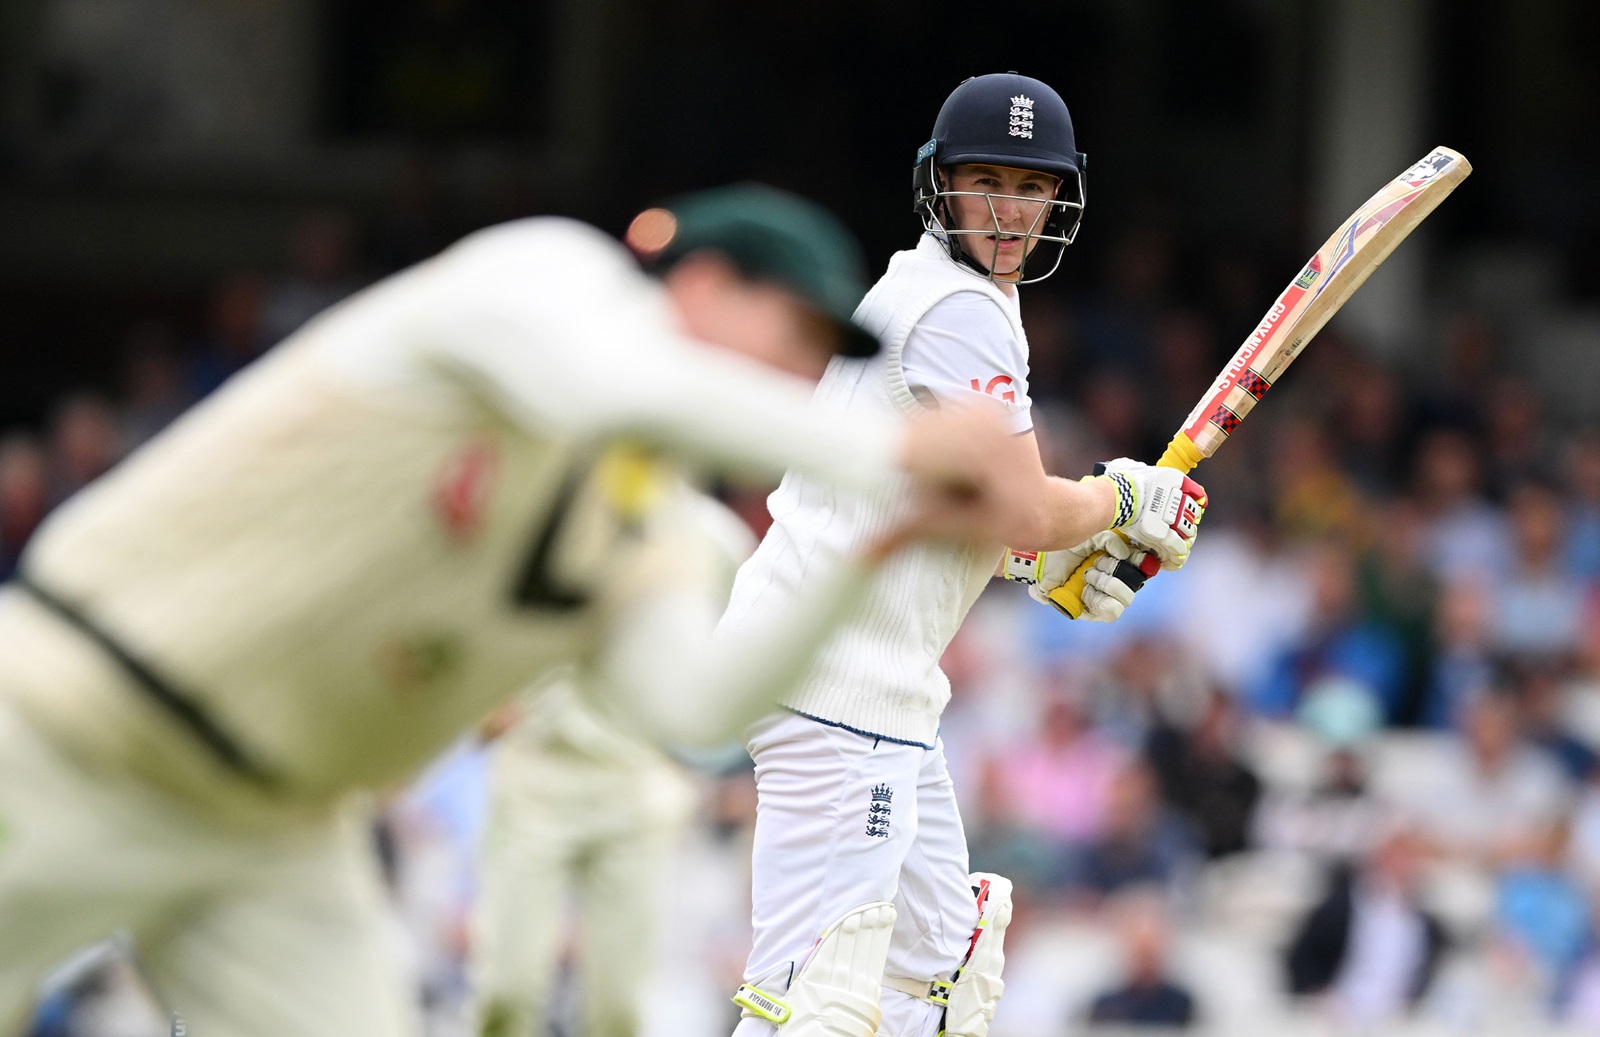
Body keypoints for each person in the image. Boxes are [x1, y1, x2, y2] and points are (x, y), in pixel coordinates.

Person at [0, 184, 1030, 1037]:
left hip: (277, 826)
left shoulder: (656, 526)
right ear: (707, 282)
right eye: (793, 333)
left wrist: (879, 542)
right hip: (78, 717)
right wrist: (889, 453)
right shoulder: (547, 278)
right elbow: (603, 392)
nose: (800, 378)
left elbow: (699, 710)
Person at [717, 74, 1209, 1037]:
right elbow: (1027, 501)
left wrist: (1038, 563)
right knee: (814, 998)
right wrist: (1123, 496)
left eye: (1031, 187)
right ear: (937, 184)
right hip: (835, 690)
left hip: (877, 693)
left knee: (945, 968)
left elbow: (946, 509)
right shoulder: (955, 309)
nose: (1008, 208)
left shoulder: (949, 296)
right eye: (985, 179)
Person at [468, 489, 755, 1037]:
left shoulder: (707, 535)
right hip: (535, 774)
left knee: (618, 1008)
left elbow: (747, 638)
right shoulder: (545, 503)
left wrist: (711, 752)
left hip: (638, 783)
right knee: (506, 994)